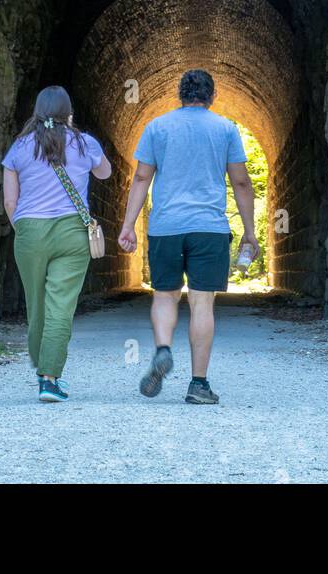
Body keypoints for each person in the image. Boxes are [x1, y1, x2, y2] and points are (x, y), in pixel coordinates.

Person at [118, 69, 258, 404]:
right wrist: (250, 232)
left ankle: (164, 349)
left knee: (165, 296)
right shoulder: (225, 129)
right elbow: (240, 182)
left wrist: (127, 225)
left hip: (166, 226)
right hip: (209, 228)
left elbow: (140, 179)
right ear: (212, 97)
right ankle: (198, 384)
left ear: (180, 95)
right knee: (201, 302)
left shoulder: (156, 127)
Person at [2, 86, 111, 402]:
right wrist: (78, 136)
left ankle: (41, 364)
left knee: (36, 304)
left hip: (29, 231)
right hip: (72, 233)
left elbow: (11, 201)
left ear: (36, 112)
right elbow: (105, 173)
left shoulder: (19, 148)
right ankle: (48, 378)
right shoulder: (84, 142)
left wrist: (23, 228)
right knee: (60, 306)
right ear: (69, 113)